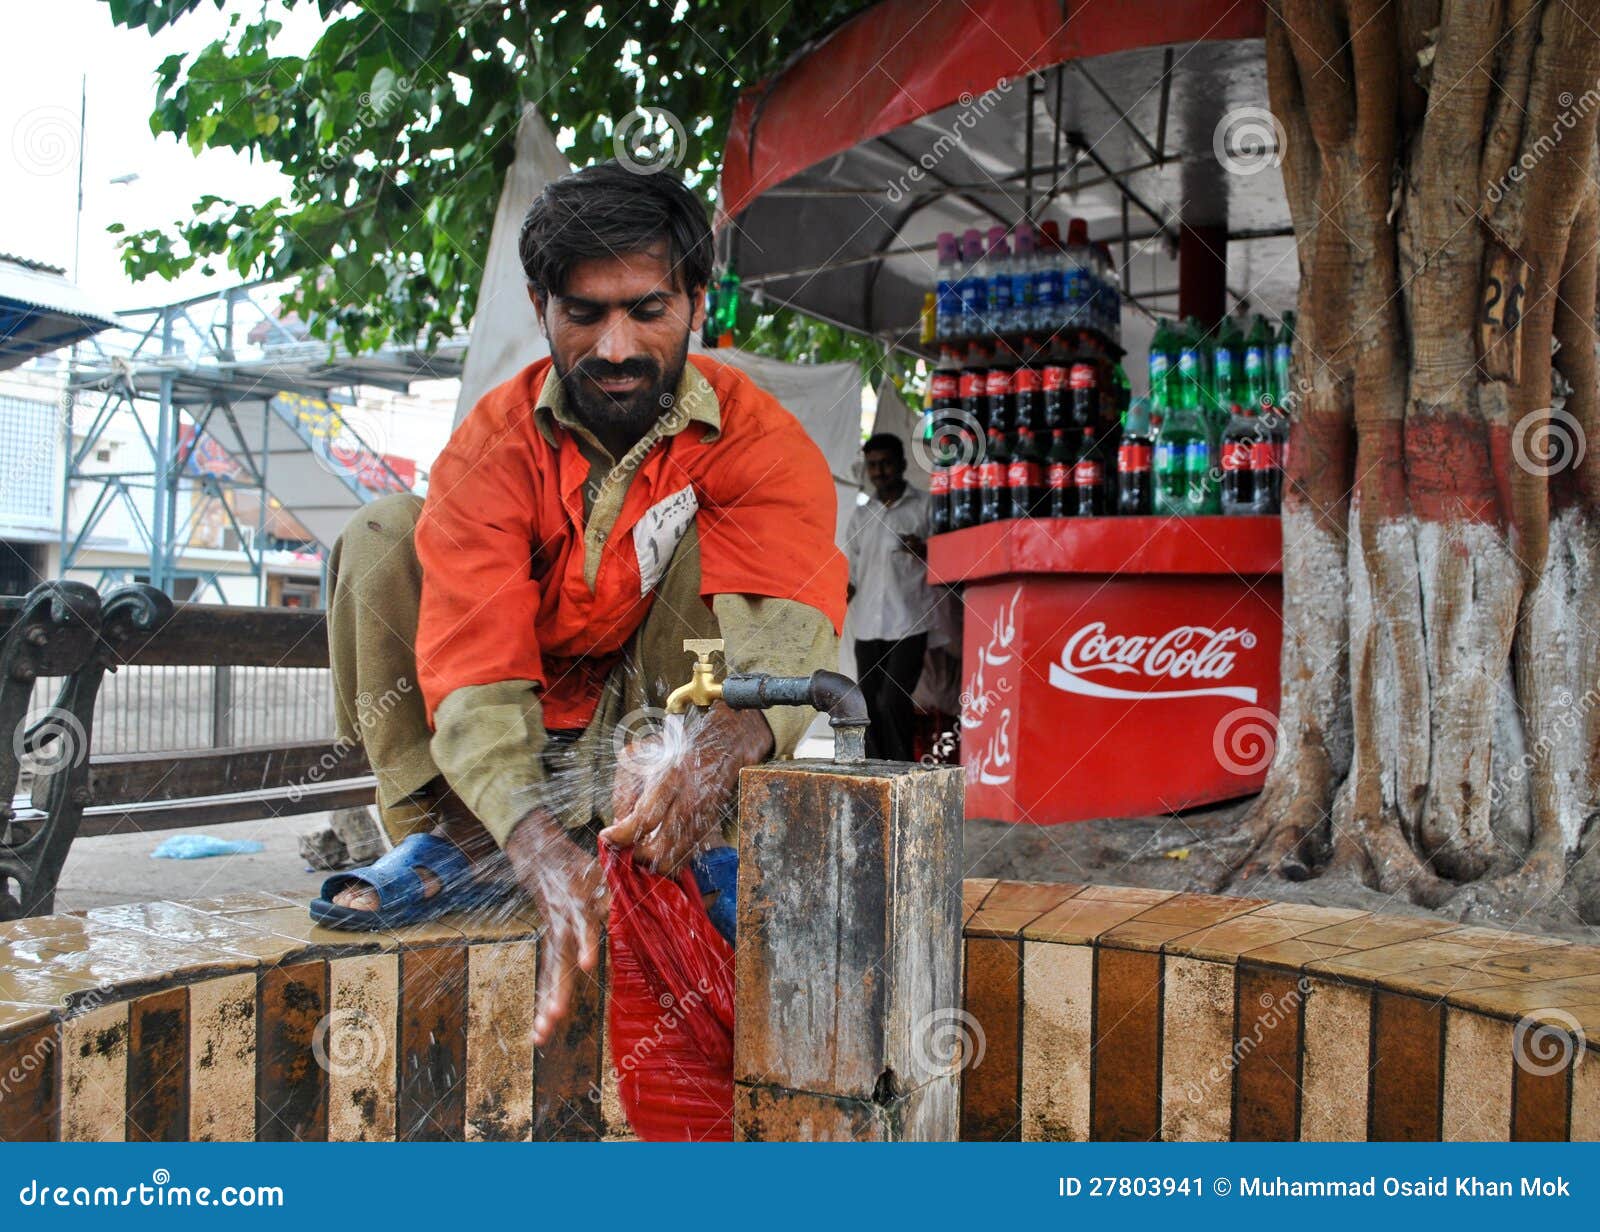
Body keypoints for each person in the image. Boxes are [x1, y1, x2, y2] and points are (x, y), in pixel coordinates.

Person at [311, 161, 845, 1045]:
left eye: (648, 309)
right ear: (541, 307)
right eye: (585, 313)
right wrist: (531, 843)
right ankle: (460, 843)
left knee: (721, 576)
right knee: (380, 533)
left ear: (696, 303)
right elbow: (473, 664)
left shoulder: (758, 440)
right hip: (515, 744)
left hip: (648, 735)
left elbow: (785, 632)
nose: (616, 348)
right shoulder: (491, 445)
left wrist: (710, 757)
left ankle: (682, 837)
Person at [844, 433, 937, 761]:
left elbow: (951, 560)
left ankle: (901, 770)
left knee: (892, 701)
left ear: (902, 464)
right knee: (867, 704)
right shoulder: (861, 516)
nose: (879, 472)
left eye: (885, 464)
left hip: (910, 623)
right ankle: (873, 771)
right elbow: (851, 576)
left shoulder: (926, 507)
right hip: (868, 626)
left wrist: (925, 550)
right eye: (873, 465)